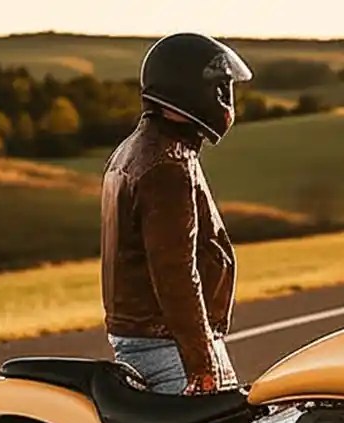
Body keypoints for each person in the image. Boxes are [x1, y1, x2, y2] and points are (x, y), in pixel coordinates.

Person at [100, 33, 252, 394]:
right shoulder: (167, 165)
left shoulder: (137, 149)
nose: (226, 97)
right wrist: (202, 364)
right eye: (221, 86)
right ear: (192, 89)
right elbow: (175, 273)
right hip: (168, 344)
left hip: (152, 337)